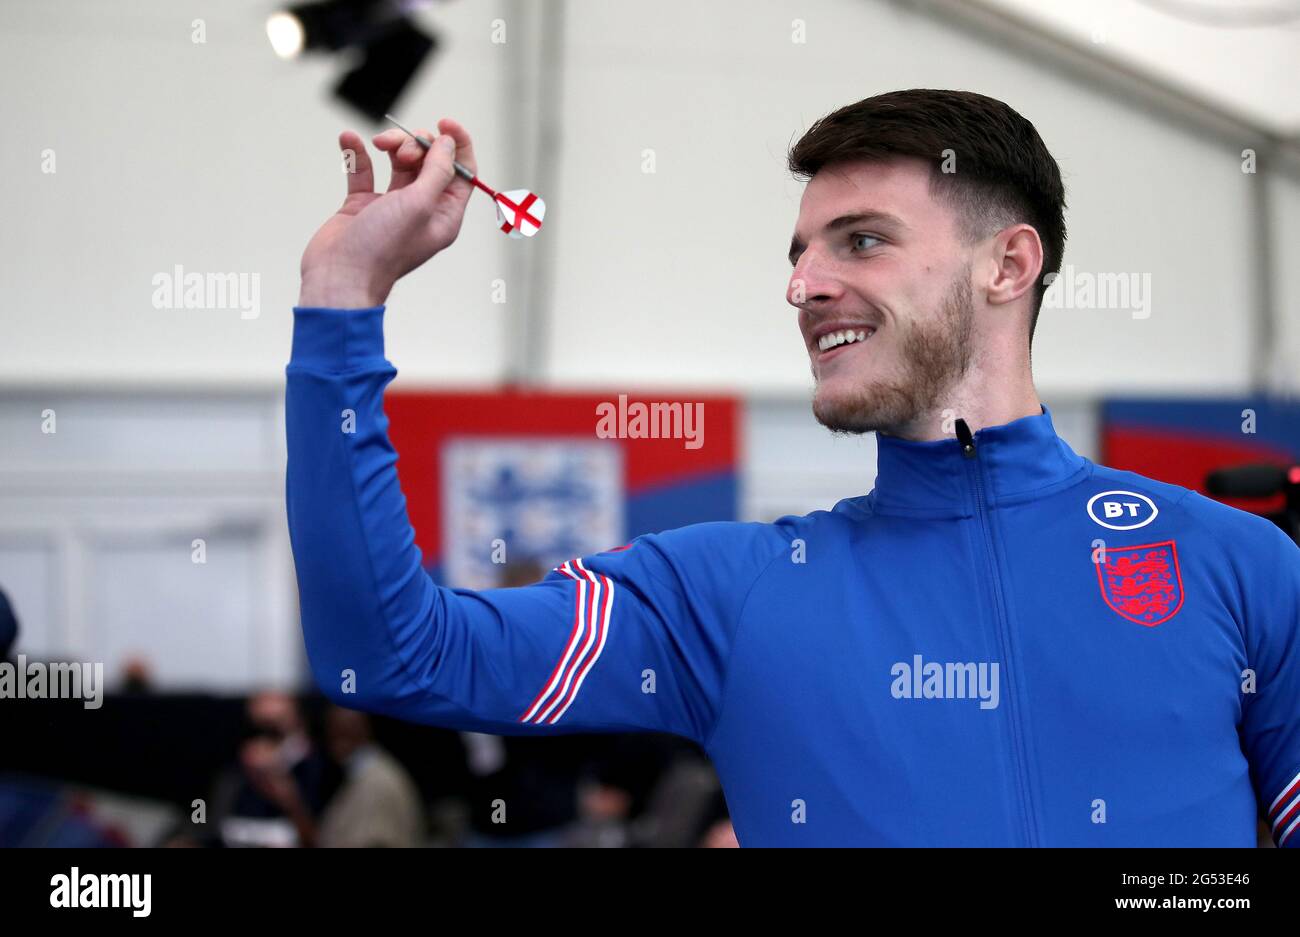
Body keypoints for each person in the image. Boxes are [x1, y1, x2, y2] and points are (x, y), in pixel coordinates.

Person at [285, 90, 1300, 847]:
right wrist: (341, 298)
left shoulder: (1237, 564)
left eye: (859, 241)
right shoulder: (718, 596)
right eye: (801, 252)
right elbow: (386, 653)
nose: (802, 286)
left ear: (1008, 264)